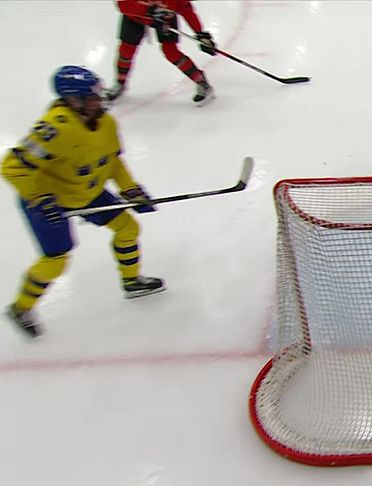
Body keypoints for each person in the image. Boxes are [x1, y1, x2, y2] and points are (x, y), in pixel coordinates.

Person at [3, 66, 165, 337]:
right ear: (73, 100)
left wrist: (131, 190)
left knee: (128, 228)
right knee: (56, 261)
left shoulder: (107, 123)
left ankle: (131, 281)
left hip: (87, 193)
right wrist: (39, 198)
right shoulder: (53, 130)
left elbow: (113, 161)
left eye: (98, 94)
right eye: (91, 97)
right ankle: (21, 308)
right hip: (48, 202)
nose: (98, 101)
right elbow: (11, 167)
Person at [104, 0, 217, 105]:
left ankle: (201, 81)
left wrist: (200, 34)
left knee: (171, 52)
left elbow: (186, 10)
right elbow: (123, 4)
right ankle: (120, 83)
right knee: (126, 50)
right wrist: (148, 10)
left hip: (164, 18)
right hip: (135, 17)